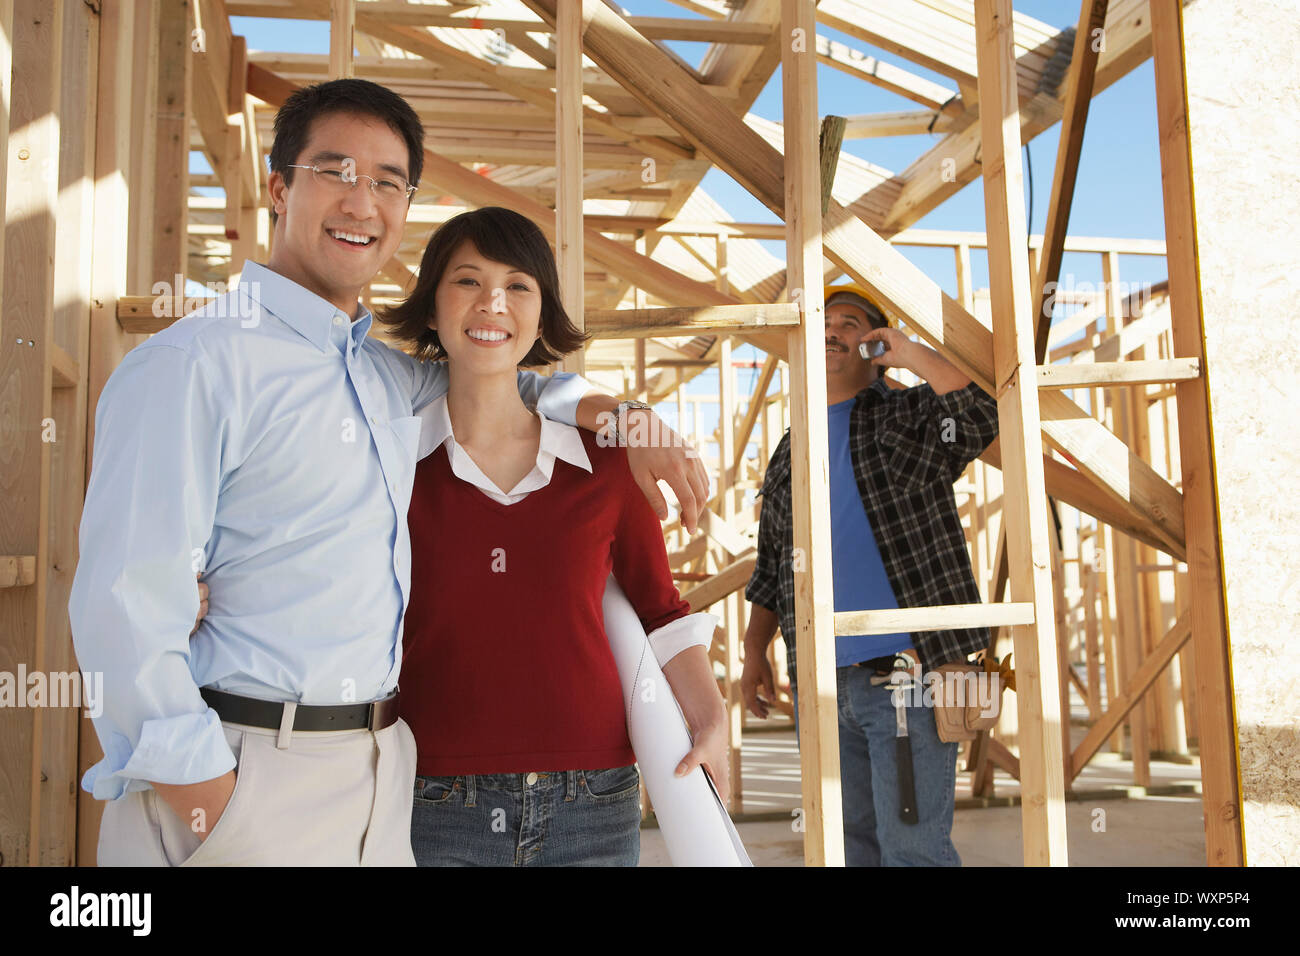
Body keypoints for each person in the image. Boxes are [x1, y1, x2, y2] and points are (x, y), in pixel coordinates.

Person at [69, 78, 707, 867]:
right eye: (334, 171)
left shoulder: (384, 379)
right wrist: (212, 801)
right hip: (242, 774)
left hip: (377, 782)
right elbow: (121, 611)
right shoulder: (192, 364)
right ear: (277, 186)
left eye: (386, 183)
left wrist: (626, 417)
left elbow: (509, 381)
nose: (360, 202)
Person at [381, 206, 727, 866]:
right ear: (431, 308)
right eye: (467, 282)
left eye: (518, 285)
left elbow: (661, 611)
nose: (492, 303)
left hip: (592, 800)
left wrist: (711, 719)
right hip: (435, 800)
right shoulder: (393, 466)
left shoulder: (606, 461)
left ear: (541, 316)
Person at [741, 285, 1000, 866]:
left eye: (850, 323)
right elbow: (771, 562)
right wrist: (753, 650)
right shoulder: (791, 448)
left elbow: (983, 412)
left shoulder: (907, 414)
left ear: (875, 343)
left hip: (907, 673)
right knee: (846, 847)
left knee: (912, 850)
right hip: (822, 679)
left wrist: (911, 356)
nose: (832, 330)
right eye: (822, 322)